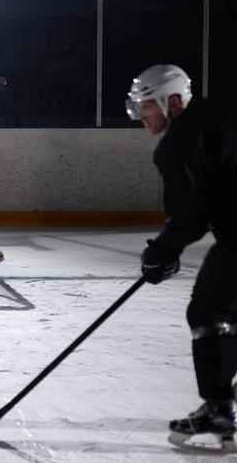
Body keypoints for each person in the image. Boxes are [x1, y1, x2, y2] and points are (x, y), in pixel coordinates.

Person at [127, 64, 237, 444]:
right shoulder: (217, 116)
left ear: (172, 102)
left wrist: (162, 251)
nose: (142, 115)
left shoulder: (178, 143)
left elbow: (192, 213)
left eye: (147, 106)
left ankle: (219, 410)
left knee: (208, 311)